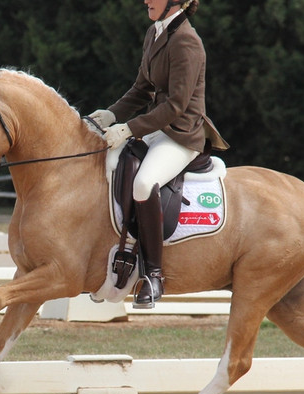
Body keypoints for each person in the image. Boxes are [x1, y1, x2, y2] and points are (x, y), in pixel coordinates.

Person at [89, 0, 229, 309]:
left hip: (181, 134)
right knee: (106, 163)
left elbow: (177, 105)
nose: (146, 1)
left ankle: (153, 276)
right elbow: (142, 89)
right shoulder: (155, 32)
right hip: (157, 128)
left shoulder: (187, 42)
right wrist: (112, 115)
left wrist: (130, 128)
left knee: (144, 184)